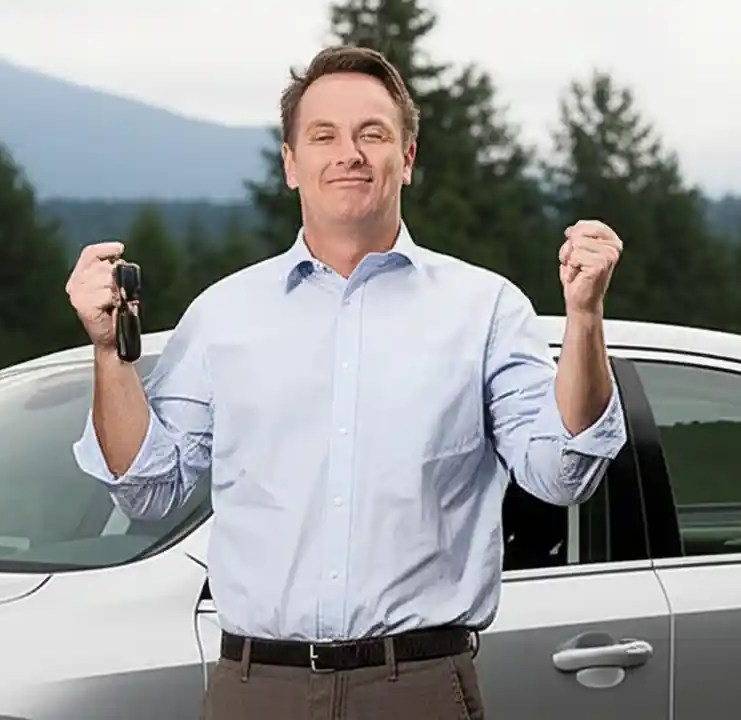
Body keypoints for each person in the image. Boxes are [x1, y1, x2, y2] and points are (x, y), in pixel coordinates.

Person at [66, 45, 626, 719]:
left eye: (373, 134)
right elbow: (148, 491)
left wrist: (585, 317)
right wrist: (109, 355)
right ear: (290, 164)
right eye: (323, 135)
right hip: (255, 690)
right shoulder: (223, 315)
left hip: (418, 687)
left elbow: (562, 473)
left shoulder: (486, 309)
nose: (349, 154)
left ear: (408, 159)